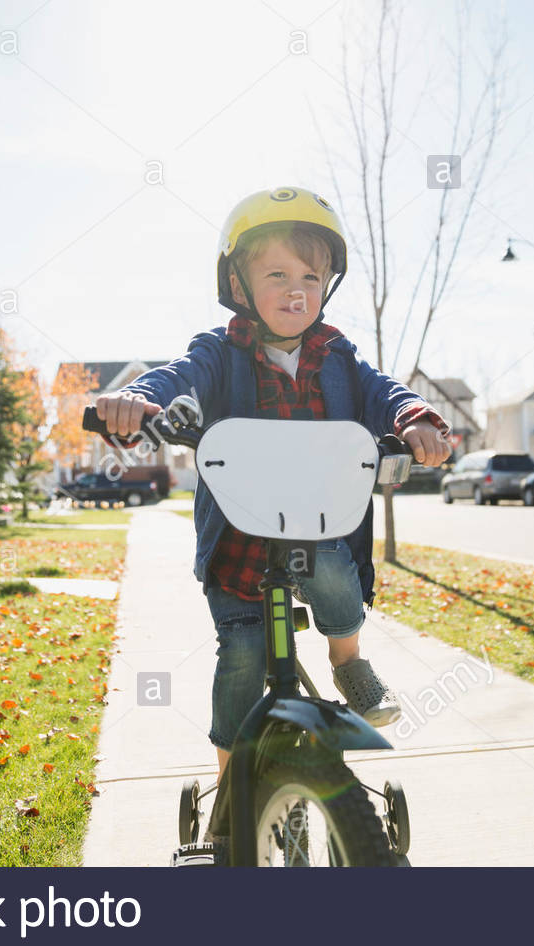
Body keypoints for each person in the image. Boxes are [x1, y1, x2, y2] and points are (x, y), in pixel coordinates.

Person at [93, 187, 452, 782]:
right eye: (277, 273)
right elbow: (179, 376)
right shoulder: (219, 351)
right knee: (240, 653)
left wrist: (415, 419)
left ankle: (348, 660)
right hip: (238, 542)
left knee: (333, 566)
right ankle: (230, 782)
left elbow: (384, 391)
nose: (295, 289)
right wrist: (139, 399)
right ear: (239, 287)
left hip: (314, 525)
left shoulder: (339, 357)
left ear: (327, 285)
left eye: (311, 276)